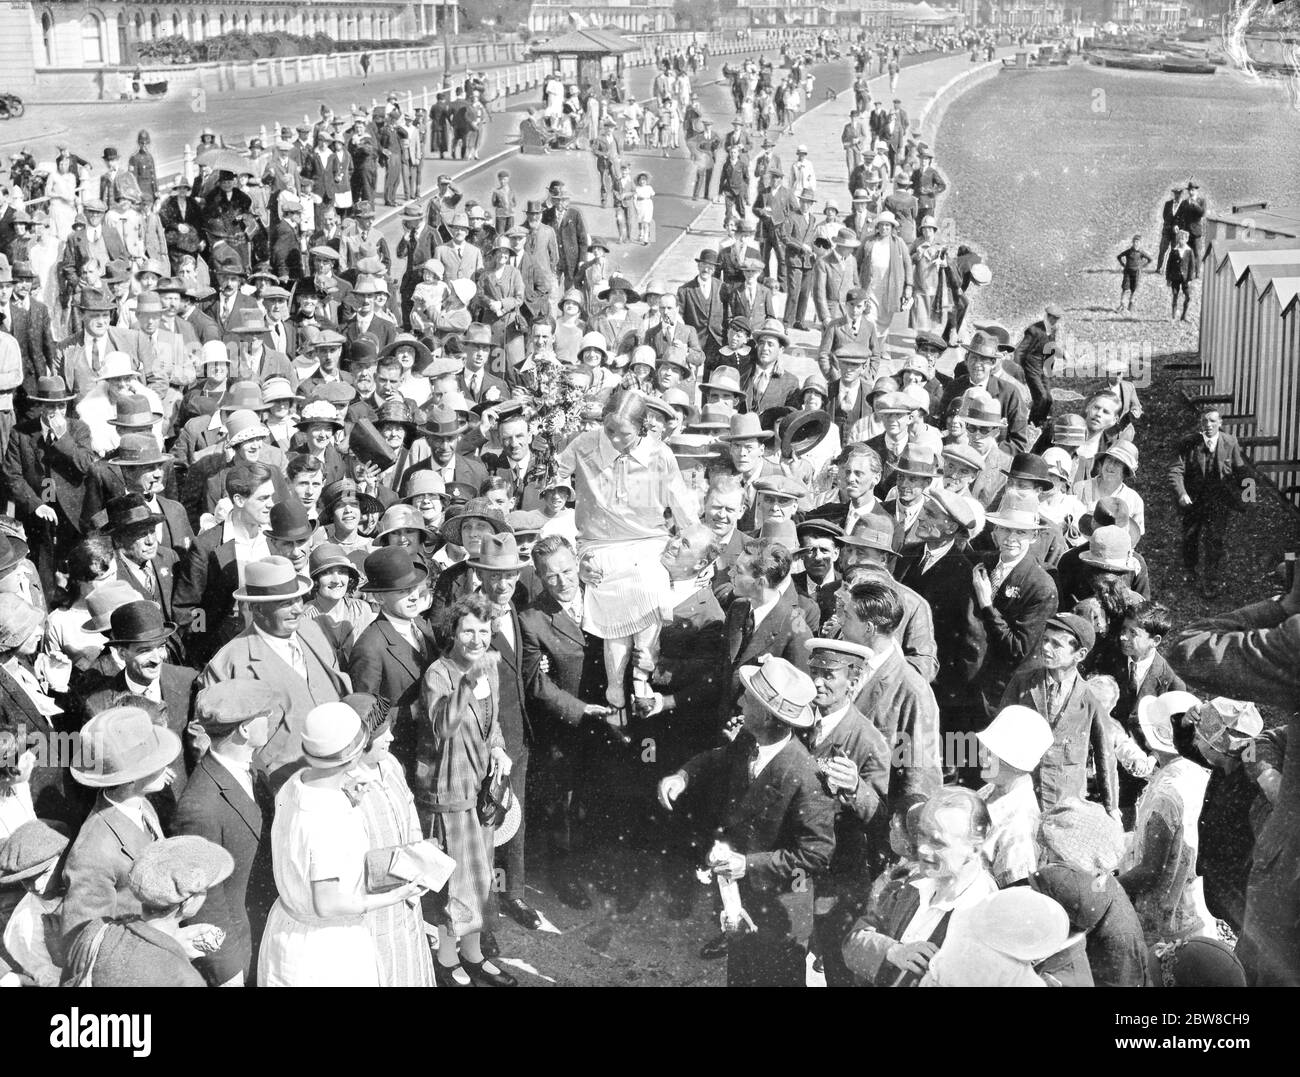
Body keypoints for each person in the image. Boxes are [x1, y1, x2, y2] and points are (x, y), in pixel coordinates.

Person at [658, 656, 835, 986]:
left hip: (781, 913)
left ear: (766, 715)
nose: (739, 701)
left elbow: (816, 855)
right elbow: (717, 758)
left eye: (747, 698)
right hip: (741, 898)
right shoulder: (749, 740)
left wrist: (748, 865)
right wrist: (683, 776)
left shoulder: (805, 776)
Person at [258, 699, 424, 986]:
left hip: (288, 932)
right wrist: (394, 897)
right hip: (327, 949)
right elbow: (327, 903)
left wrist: (346, 798)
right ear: (355, 754)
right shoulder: (328, 817)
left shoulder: (294, 783)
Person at [554, 389, 695, 720]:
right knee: (610, 586)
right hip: (599, 543)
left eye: (624, 433)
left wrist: (699, 544)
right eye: (609, 430)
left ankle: (641, 675)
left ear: (644, 428)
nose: (615, 439)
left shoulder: (661, 455)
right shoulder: (584, 444)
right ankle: (614, 685)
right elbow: (554, 479)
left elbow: (683, 506)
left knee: (650, 581)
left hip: (648, 541)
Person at [415, 593, 517, 987]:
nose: (477, 639)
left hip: (480, 790)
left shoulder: (489, 670)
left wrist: (498, 749)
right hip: (448, 787)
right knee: (451, 881)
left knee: (479, 878)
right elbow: (442, 726)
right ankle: (445, 960)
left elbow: (493, 725)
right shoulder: (439, 673)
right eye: (468, 631)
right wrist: (467, 682)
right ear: (453, 634)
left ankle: (473, 956)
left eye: (484, 631)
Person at [171, 682, 279, 987]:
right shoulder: (199, 806)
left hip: (263, 937)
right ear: (244, 730)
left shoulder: (250, 768)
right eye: (264, 714)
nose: (270, 718)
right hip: (239, 959)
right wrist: (228, 974)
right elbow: (206, 903)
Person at [842, 787, 997, 986]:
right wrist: (893, 951)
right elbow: (852, 943)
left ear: (974, 848)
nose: (922, 848)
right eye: (922, 835)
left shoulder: (986, 918)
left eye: (938, 843)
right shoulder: (914, 885)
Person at [61, 705, 180, 943]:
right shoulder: (92, 852)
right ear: (129, 777)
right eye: (154, 760)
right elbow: (85, 941)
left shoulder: (142, 804)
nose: (165, 765)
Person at [63, 835, 234, 988]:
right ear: (189, 903)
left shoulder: (95, 931)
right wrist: (175, 958)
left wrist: (174, 947)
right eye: (205, 889)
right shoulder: (186, 980)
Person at [349, 691, 436, 987]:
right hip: (375, 910)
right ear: (361, 742)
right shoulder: (346, 786)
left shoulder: (392, 765)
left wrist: (422, 860)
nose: (392, 739)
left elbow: (411, 818)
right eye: (382, 733)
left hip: (408, 900)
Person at [1119, 690, 1216, 944]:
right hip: (1193, 902)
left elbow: (1151, 870)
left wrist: (1109, 885)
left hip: (1165, 917)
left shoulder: (1165, 794)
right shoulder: (1200, 773)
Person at [1000, 612, 1119, 818]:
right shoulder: (1022, 684)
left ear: (1080, 654)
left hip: (1066, 802)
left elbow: (1105, 755)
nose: (1045, 647)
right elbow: (999, 736)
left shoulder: (1090, 699)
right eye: (1045, 640)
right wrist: (995, 786)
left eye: (1056, 644)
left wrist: (1112, 808)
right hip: (1023, 795)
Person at [1168, 406, 1249, 597]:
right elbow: (1176, 470)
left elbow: (1242, 470)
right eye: (1205, 421)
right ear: (1200, 423)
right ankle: (1190, 571)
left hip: (1219, 500)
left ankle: (1211, 580)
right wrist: (1181, 493)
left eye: (1213, 421)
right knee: (1190, 537)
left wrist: (1248, 496)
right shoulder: (1188, 443)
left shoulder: (1229, 441)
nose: (1208, 425)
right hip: (1194, 501)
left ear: (1220, 423)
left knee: (1215, 539)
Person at [976, 705, 1052, 886]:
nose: (980, 755)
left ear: (1017, 763)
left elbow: (1015, 890)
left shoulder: (1020, 822)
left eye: (991, 753)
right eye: (983, 748)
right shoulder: (988, 791)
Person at [1115, 234, 1151, 313]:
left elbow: (1150, 259)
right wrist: (1123, 264)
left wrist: (1142, 267)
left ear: (1140, 243)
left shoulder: (1141, 252)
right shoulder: (1128, 251)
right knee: (1125, 288)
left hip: (1136, 273)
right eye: (1135, 242)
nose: (1136, 243)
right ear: (1132, 242)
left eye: (1138, 242)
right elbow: (1119, 256)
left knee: (1134, 290)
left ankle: (1130, 306)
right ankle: (1122, 305)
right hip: (1127, 272)